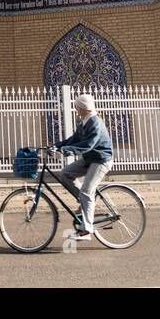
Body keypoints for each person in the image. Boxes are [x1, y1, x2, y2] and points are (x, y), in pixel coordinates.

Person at [52, 93, 113, 241]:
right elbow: (74, 139)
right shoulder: (84, 122)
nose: (76, 109)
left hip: (100, 160)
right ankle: (84, 203)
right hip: (89, 159)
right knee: (65, 173)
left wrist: (65, 151)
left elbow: (88, 145)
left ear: (84, 108)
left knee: (86, 191)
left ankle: (86, 230)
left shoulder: (96, 123)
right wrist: (56, 146)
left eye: (78, 106)